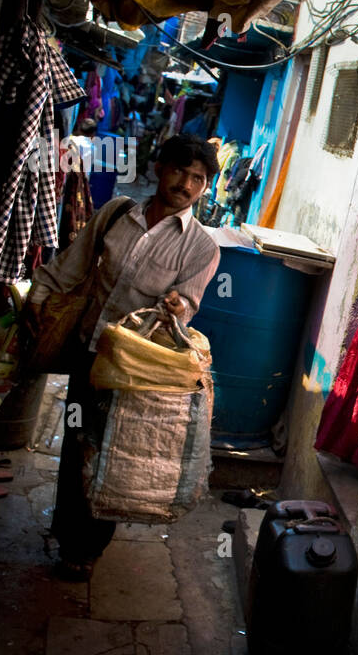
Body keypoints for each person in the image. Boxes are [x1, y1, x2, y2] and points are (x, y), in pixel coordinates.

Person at [25, 134, 221, 581]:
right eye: (179, 171)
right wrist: (39, 295)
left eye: (198, 178)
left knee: (106, 447)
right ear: (159, 169)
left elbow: (189, 305)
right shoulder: (116, 214)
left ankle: (87, 548)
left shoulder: (202, 248)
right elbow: (73, 264)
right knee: (76, 441)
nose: (186, 184)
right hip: (86, 348)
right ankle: (67, 529)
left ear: (205, 187)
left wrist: (179, 306)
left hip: (131, 364)